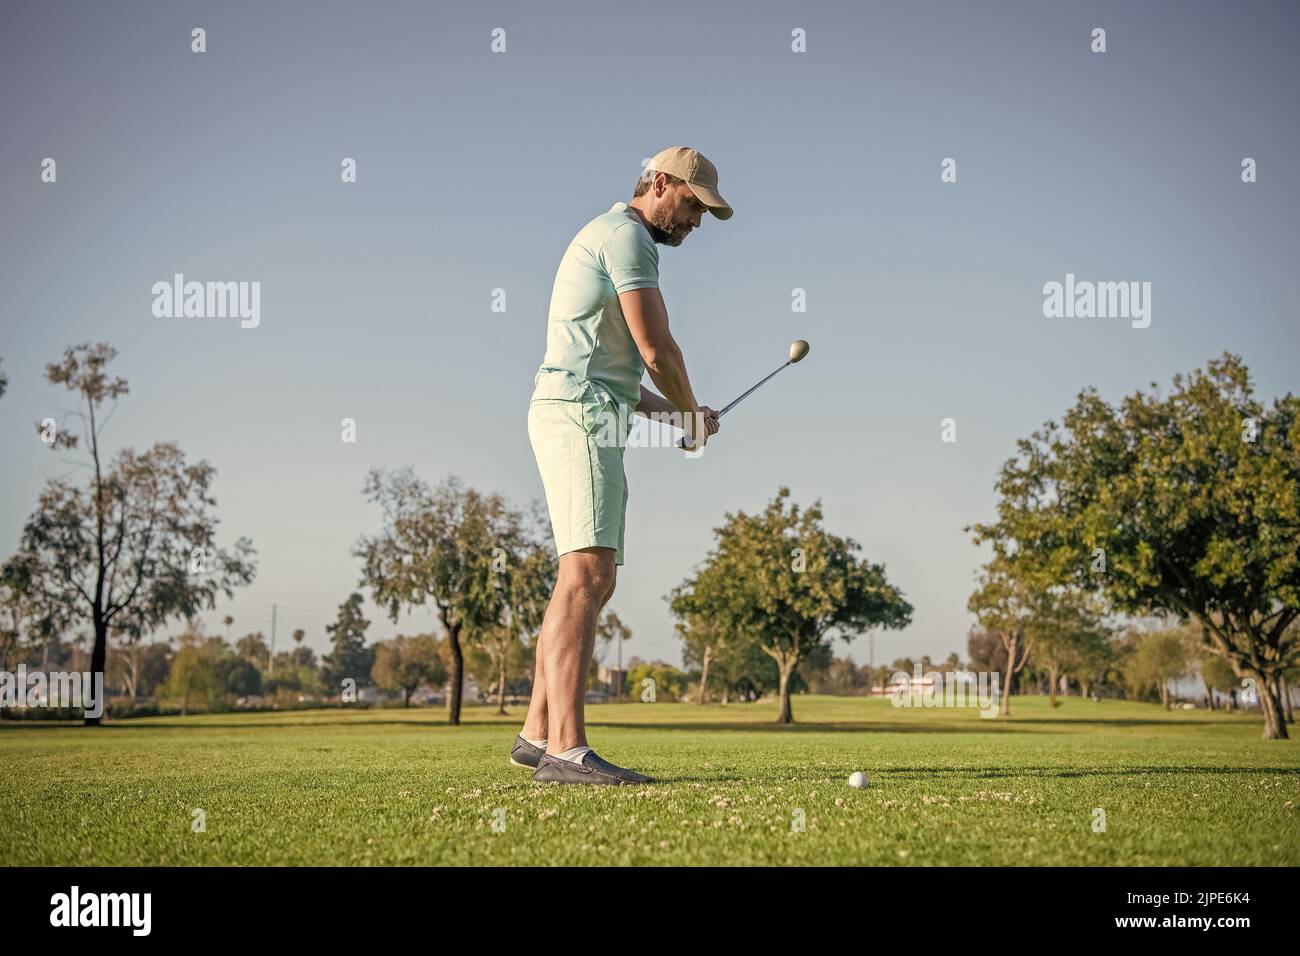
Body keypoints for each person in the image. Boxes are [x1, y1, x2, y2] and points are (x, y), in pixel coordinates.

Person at [513, 147, 732, 785]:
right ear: (660, 184)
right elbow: (656, 347)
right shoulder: (628, 238)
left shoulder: (610, 235)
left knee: (591, 578)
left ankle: (536, 733)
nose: (695, 221)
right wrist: (690, 415)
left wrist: (679, 416)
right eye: (692, 204)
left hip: (591, 409)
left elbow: (623, 376)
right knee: (586, 574)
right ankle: (566, 750)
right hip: (579, 415)